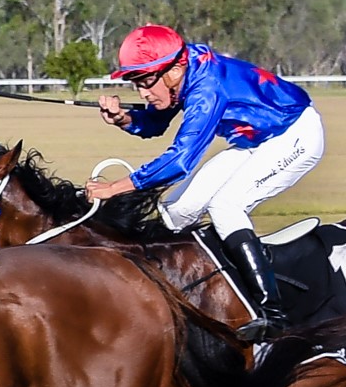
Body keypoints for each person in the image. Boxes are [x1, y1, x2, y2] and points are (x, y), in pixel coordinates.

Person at [84, 24, 325, 340]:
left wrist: (115, 188)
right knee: (177, 209)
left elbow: (181, 160)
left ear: (173, 70)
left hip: (295, 135)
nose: (142, 93)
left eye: (145, 82)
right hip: (256, 140)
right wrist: (125, 119)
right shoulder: (183, 69)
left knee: (226, 206)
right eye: (136, 84)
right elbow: (157, 121)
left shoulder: (206, 88)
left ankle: (273, 314)